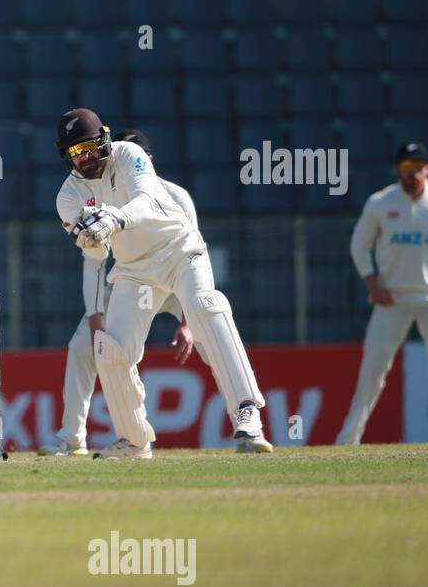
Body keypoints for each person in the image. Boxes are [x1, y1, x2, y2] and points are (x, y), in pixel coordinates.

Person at [55, 108, 272, 458]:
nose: (87, 158)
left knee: (205, 307)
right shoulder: (68, 197)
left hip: (179, 253)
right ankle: (134, 440)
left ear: (105, 138)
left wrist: (113, 218)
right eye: (77, 153)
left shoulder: (129, 155)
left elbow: (147, 202)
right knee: (110, 350)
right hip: (135, 271)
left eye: (91, 147)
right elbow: (93, 256)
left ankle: (247, 414)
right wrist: (90, 240)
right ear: (66, 157)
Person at [39, 129, 198, 456]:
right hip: (130, 278)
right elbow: (95, 260)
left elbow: (193, 258)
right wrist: (96, 318)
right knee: (84, 343)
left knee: (208, 327)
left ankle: (246, 427)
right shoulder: (103, 193)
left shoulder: (176, 197)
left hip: (172, 277)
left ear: (147, 162)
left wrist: (188, 321)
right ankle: (72, 438)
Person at [336, 143, 428, 444]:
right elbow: (360, 245)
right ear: (398, 169)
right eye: (405, 168)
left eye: (417, 168)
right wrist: (372, 283)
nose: (411, 174)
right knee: (373, 372)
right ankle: (348, 439)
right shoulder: (380, 203)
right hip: (391, 298)